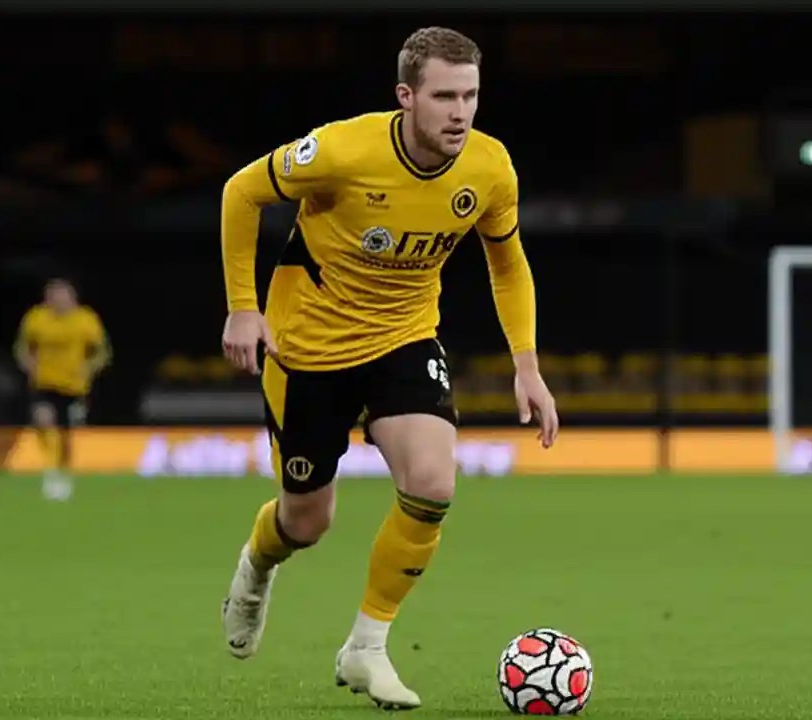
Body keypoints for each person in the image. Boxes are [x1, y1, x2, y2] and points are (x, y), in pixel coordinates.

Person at [218, 26, 559, 710]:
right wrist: (242, 309)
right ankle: (256, 568)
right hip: (307, 350)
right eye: (443, 96)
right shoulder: (342, 151)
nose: (459, 112)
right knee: (306, 523)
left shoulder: (489, 169)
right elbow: (240, 191)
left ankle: (366, 647)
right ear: (406, 97)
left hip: (404, 339)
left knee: (433, 482)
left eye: (470, 95)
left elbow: (507, 261)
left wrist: (527, 364)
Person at [14, 278, 110, 501]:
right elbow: (23, 346)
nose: (57, 301)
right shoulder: (36, 318)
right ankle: (50, 469)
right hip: (44, 383)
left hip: (73, 386)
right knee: (43, 420)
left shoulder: (86, 320)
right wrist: (28, 363)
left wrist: (89, 368)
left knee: (66, 435)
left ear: (72, 298)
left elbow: (101, 351)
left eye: (62, 296)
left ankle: (63, 473)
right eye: (53, 296)